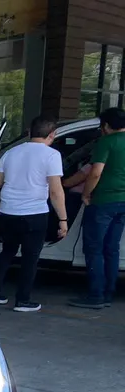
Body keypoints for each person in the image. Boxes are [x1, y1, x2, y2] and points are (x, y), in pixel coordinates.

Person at [0, 115, 68, 313]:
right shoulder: (51, 155)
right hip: (34, 214)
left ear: (30, 133)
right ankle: (22, 300)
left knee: (7, 252)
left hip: (7, 212)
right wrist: (63, 219)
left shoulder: (11, 153)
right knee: (30, 258)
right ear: (52, 135)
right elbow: (55, 191)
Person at [71, 107, 125, 309]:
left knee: (94, 248)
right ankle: (109, 293)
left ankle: (96, 295)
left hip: (103, 201)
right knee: (112, 248)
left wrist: (86, 194)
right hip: (123, 203)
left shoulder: (106, 142)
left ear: (106, 126)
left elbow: (95, 173)